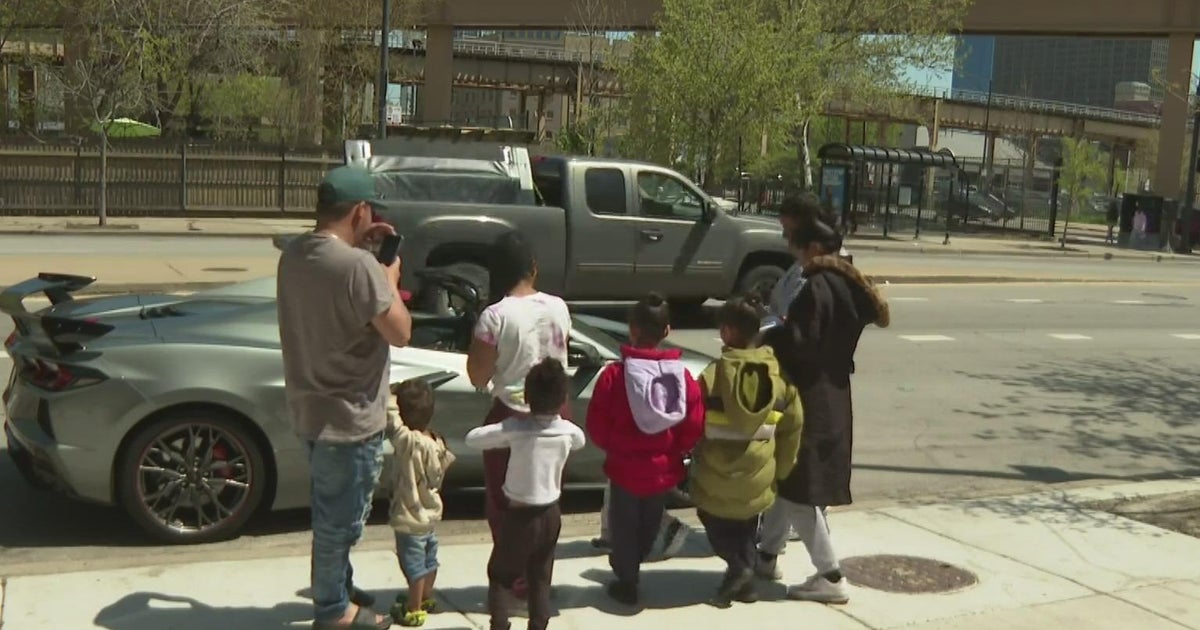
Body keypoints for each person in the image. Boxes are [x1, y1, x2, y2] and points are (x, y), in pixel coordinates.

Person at [277, 164, 414, 630]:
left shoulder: (294, 254)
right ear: (359, 211)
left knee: (328, 512)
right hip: (351, 420)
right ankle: (334, 611)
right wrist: (388, 275)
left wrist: (363, 251)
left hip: (310, 413)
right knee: (340, 524)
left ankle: (337, 589)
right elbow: (400, 331)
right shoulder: (361, 268)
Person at [759, 207, 890, 605]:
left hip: (811, 397)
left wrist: (770, 334)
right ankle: (765, 558)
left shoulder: (817, 287)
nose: (793, 252)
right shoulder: (845, 284)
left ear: (814, 247)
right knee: (787, 480)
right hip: (832, 392)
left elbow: (800, 343)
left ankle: (830, 575)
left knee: (800, 489)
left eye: (796, 246)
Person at [467, 231, 573, 604]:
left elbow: (478, 375)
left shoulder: (494, 317)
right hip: (556, 415)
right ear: (533, 268)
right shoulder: (559, 307)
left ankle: (513, 577)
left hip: (513, 415)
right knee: (545, 497)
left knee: (506, 501)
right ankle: (538, 577)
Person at [586, 292, 706, 606]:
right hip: (662, 469)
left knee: (622, 527)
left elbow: (597, 423)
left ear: (631, 328)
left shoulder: (615, 376)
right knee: (648, 524)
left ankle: (627, 578)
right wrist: (676, 451)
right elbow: (693, 423)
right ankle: (634, 564)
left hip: (624, 469)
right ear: (667, 331)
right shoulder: (681, 378)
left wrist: (614, 445)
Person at [690, 296, 804, 608]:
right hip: (759, 478)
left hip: (715, 478)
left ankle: (739, 568)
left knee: (712, 518)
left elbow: (691, 423)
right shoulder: (779, 378)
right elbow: (794, 426)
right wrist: (780, 470)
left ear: (726, 332)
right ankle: (745, 583)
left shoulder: (712, 377)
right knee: (745, 527)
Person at [465, 358, 587, 630]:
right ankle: (538, 625)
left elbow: (472, 439)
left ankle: (500, 624)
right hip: (551, 514)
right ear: (563, 398)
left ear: (527, 397)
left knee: (501, 575)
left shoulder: (516, 429)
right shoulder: (567, 431)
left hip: (520, 516)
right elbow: (580, 440)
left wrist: (510, 423)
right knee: (540, 577)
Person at [387, 379, 456, 627]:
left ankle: (414, 609)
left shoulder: (408, 442)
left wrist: (389, 393)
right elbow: (446, 463)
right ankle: (426, 596)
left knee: (413, 566)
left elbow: (391, 419)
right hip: (429, 515)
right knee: (429, 560)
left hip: (409, 516)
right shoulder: (437, 442)